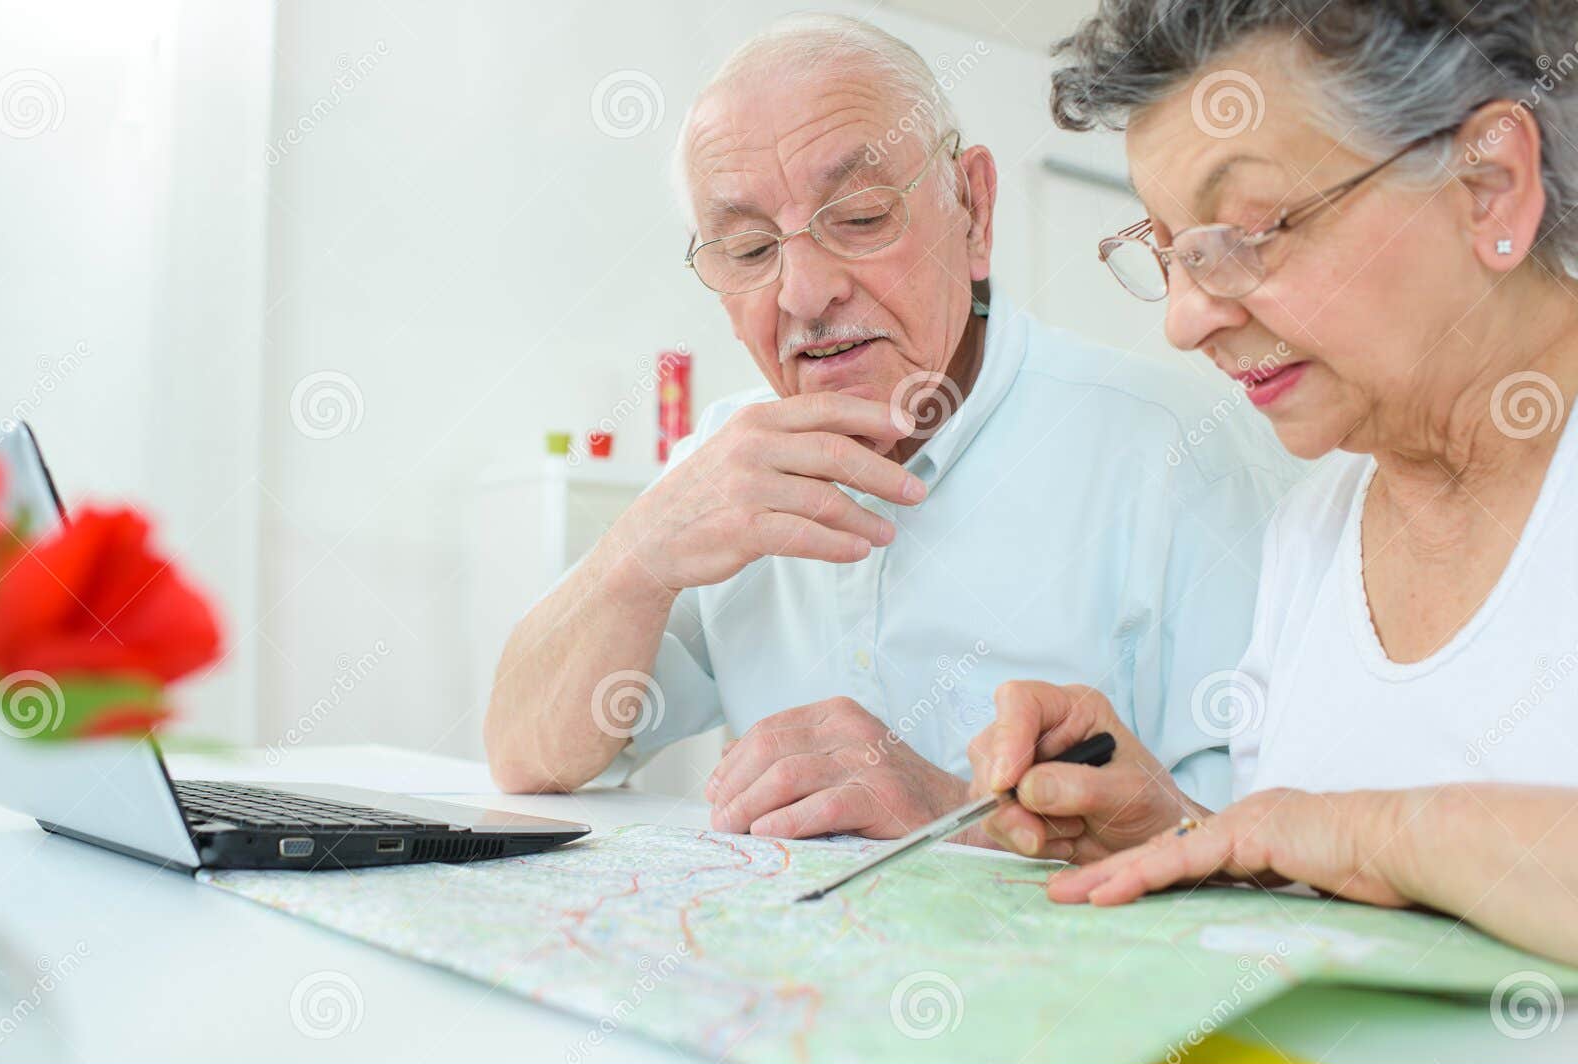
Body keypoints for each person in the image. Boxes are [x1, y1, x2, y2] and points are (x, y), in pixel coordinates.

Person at [483, 13, 1294, 840]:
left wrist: (950, 814)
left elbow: (1269, 855)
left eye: (862, 216)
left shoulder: (1181, 451)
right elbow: (527, 757)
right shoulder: (726, 468)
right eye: (749, 249)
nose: (803, 292)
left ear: (973, 211)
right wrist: (637, 556)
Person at [971, 0, 1578, 965]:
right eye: (1171, 252)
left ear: (1491, 187)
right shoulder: (1317, 530)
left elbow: (1349, 838)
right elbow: (1329, 877)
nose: (1184, 320)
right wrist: (1182, 834)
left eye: (1248, 229)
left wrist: (1361, 831)